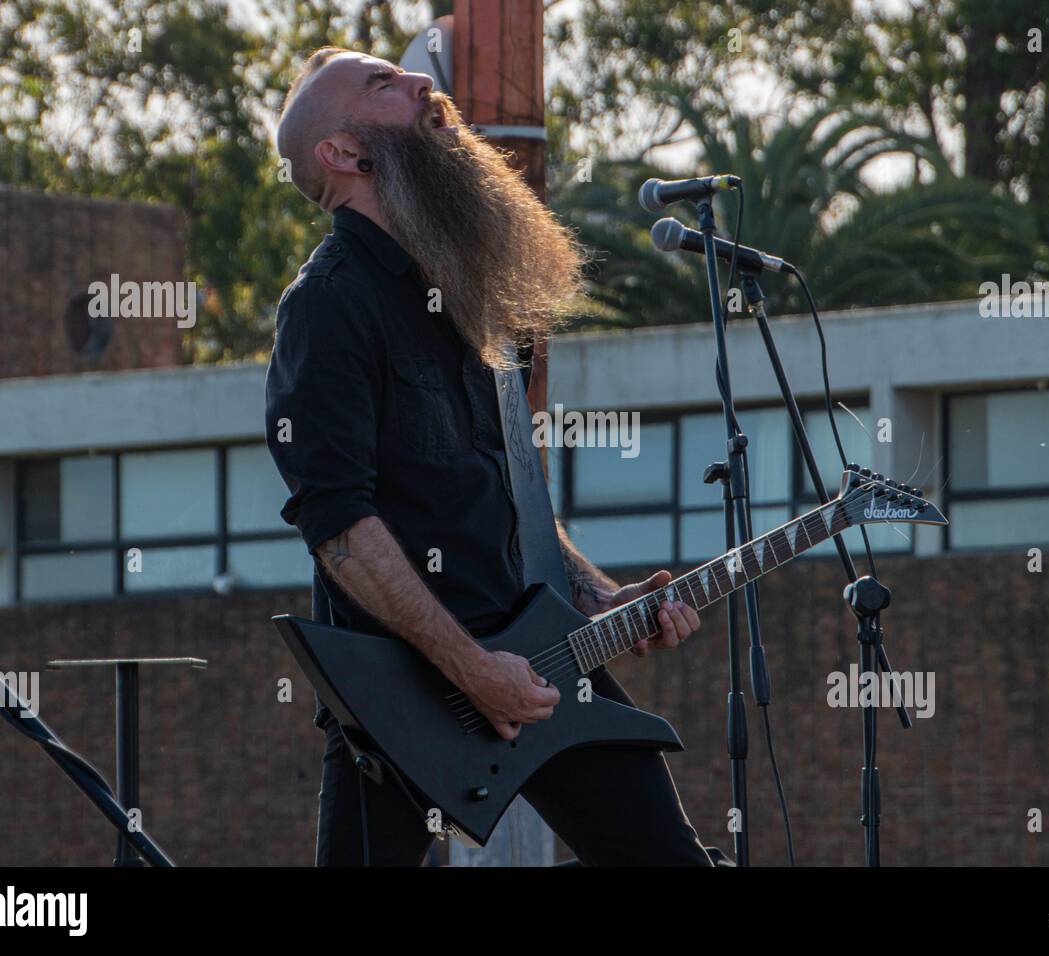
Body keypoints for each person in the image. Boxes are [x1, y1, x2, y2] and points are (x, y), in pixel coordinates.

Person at [266, 46, 713, 866]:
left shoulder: (474, 294)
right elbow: (338, 530)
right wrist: (471, 668)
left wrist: (597, 595)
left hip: (539, 657)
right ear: (344, 154)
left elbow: (514, 493)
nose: (424, 84)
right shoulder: (326, 307)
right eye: (384, 85)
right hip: (398, 700)